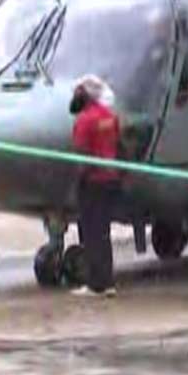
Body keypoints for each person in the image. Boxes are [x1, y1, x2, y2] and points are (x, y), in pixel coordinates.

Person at [70, 75, 123, 299]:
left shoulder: (84, 121)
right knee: (103, 233)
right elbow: (120, 146)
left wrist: (76, 183)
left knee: (91, 234)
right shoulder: (110, 117)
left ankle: (95, 285)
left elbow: (83, 156)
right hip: (110, 179)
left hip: (92, 181)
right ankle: (108, 282)